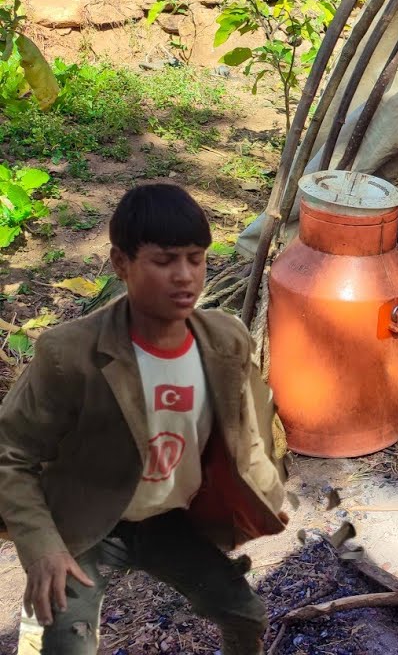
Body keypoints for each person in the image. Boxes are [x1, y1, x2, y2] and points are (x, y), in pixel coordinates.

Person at [0, 184, 288, 655]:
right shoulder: (70, 354)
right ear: (121, 263)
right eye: (164, 260)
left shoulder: (225, 341)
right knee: (64, 644)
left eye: (196, 258)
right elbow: (9, 455)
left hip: (166, 521)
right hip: (90, 523)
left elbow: (252, 422)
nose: (185, 277)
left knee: (246, 614)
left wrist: (264, 488)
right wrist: (43, 547)